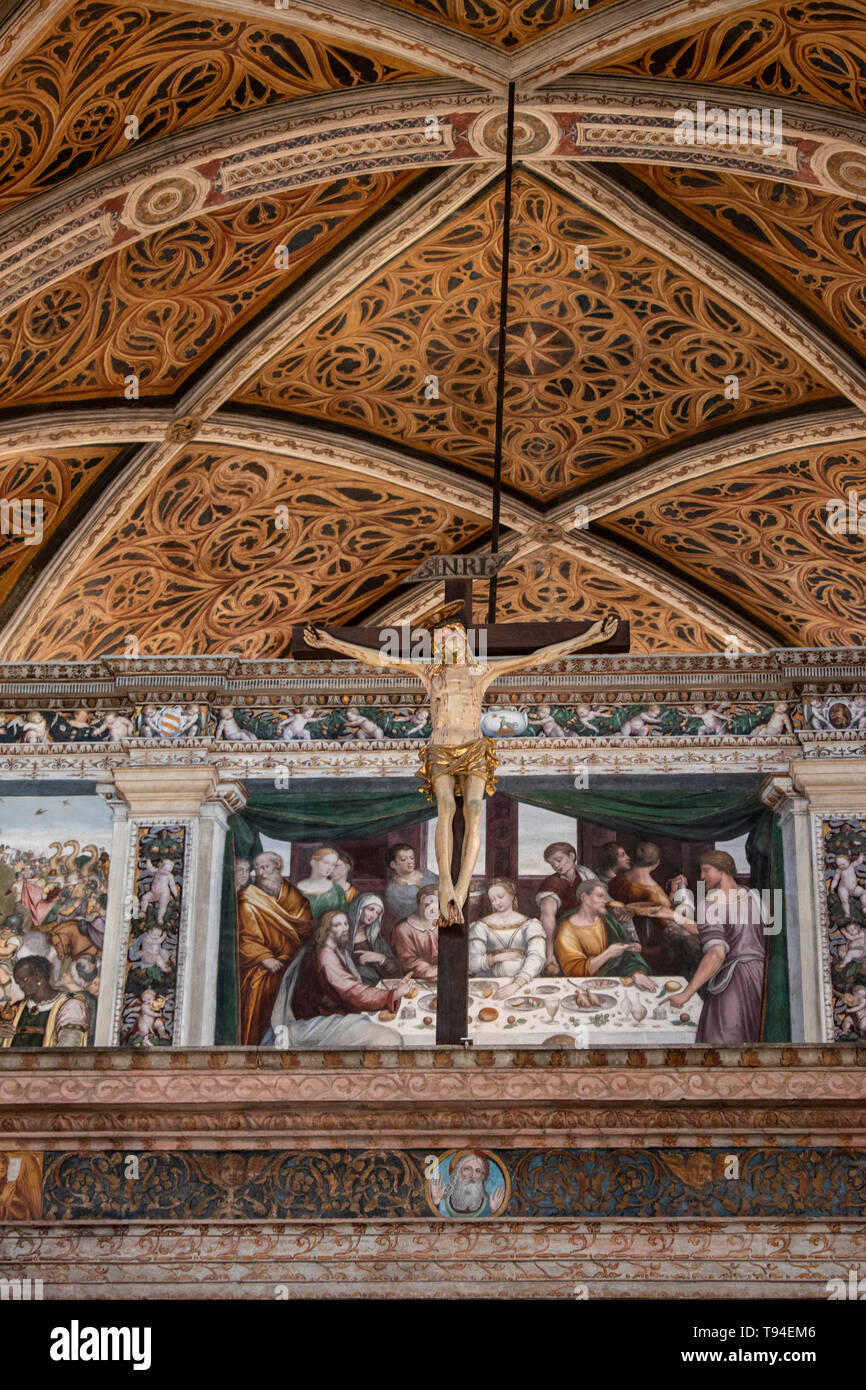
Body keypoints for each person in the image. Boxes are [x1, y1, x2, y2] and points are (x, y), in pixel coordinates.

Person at [305, 611, 617, 923]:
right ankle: (444, 883)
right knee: (445, 809)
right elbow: (377, 658)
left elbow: (538, 656)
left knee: (473, 809)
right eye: (439, 641)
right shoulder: (429, 671)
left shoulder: (481, 671)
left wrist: (591, 638)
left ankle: (463, 885)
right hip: (441, 747)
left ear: (462, 641)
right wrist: (330, 642)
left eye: (449, 637)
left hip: (474, 747)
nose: (443, 644)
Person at [266, 909, 410, 1047]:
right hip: (316, 1023)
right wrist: (393, 994)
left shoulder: (334, 950)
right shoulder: (326, 956)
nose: (345, 928)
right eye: (337, 925)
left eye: (346, 923)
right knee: (389, 1038)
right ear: (326, 929)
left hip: (330, 1015)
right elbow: (352, 991)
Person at [668, 851, 767, 1045]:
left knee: (721, 1043)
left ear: (723, 871)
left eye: (706, 870)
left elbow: (716, 953)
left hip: (734, 981)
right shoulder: (754, 896)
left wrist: (686, 993)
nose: (702, 877)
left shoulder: (711, 903)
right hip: (760, 977)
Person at [237, 851, 313, 1045]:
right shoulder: (248, 898)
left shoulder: (292, 894)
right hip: (263, 966)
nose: (261, 874)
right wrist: (265, 958)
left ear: (278, 865)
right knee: (259, 992)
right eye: (257, 869)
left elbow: (305, 925)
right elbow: (245, 939)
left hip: (293, 962)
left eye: (265, 867)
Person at [555, 879, 654, 989]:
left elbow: (628, 957)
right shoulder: (567, 930)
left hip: (615, 984)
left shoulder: (608, 921)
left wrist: (636, 973)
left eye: (605, 897)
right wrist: (608, 954)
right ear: (584, 897)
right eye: (600, 896)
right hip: (583, 988)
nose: (605, 901)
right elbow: (574, 972)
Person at [469, 880, 545, 998]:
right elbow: (472, 962)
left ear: (512, 895)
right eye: (493, 900)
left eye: (500, 896)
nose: (497, 902)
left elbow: (537, 956)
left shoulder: (530, 925)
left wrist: (516, 984)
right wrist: (495, 958)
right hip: (490, 983)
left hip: (524, 981)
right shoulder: (480, 926)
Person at [0, 956, 88, 1047]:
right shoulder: (16, 1008)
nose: (21, 986)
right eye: (19, 983)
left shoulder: (71, 1005)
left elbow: (68, 1047)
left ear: (39, 975)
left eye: (24, 980)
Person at [536, 842, 595, 975]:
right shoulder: (552, 883)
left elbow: (602, 900)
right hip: (565, 933)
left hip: (591, 928)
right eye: (552, 864)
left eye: (558, 860)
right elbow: (547, 917)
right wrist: (549, 954)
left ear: (572, 856)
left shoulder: (586, 875)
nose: (556, 866)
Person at [430, 1151, 505, 1217]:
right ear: (457, 1172)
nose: (473, 1175)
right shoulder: (444, 1201)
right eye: (467, 1169)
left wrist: (495, 1211)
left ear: (482, 1177)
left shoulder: (488, 1204)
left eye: (478, 1171)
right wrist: (436, 1201)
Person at [346, 893, 399, 985]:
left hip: (375, 986)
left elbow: (396, 970)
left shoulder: (376, 940)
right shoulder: (342, 934)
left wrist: (382, 959)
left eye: (377, 913)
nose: (373, 915)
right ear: (359, 908)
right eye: (371, 909)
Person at [384, 843, 437, 931]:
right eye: (403, 859)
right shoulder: (393, 890)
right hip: (417, 926)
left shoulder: (426, 873)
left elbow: (444, 887)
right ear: (393, 864)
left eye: (412, 858)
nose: (410, 862)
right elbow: (402, 912)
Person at [392, 884, 439, 982]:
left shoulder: (443, 925)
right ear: (423, 899)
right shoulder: (403, 929)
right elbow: (409, 962)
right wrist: (441, 971)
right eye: (437, 901)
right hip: (417, 981)